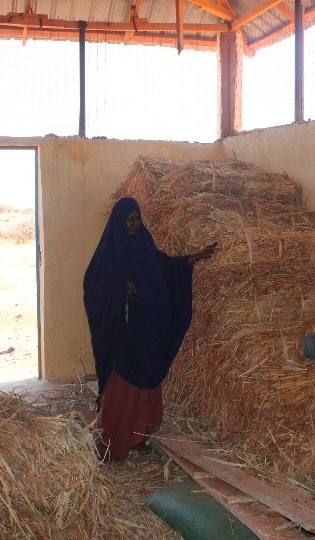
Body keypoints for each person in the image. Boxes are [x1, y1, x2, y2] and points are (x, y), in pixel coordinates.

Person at [83, 196, 216, 461]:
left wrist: (192, 259)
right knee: (122, 385)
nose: (135, 225)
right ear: (119, 221)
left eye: (138, 219)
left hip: (146, 329)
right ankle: (111, 443)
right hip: (124, 333)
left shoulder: (143, 242)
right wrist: (121, 286)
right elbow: (94, 283)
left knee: (147, 379)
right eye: (130, 220)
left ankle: (138, 436)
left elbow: (162, 265)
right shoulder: (111, 250)